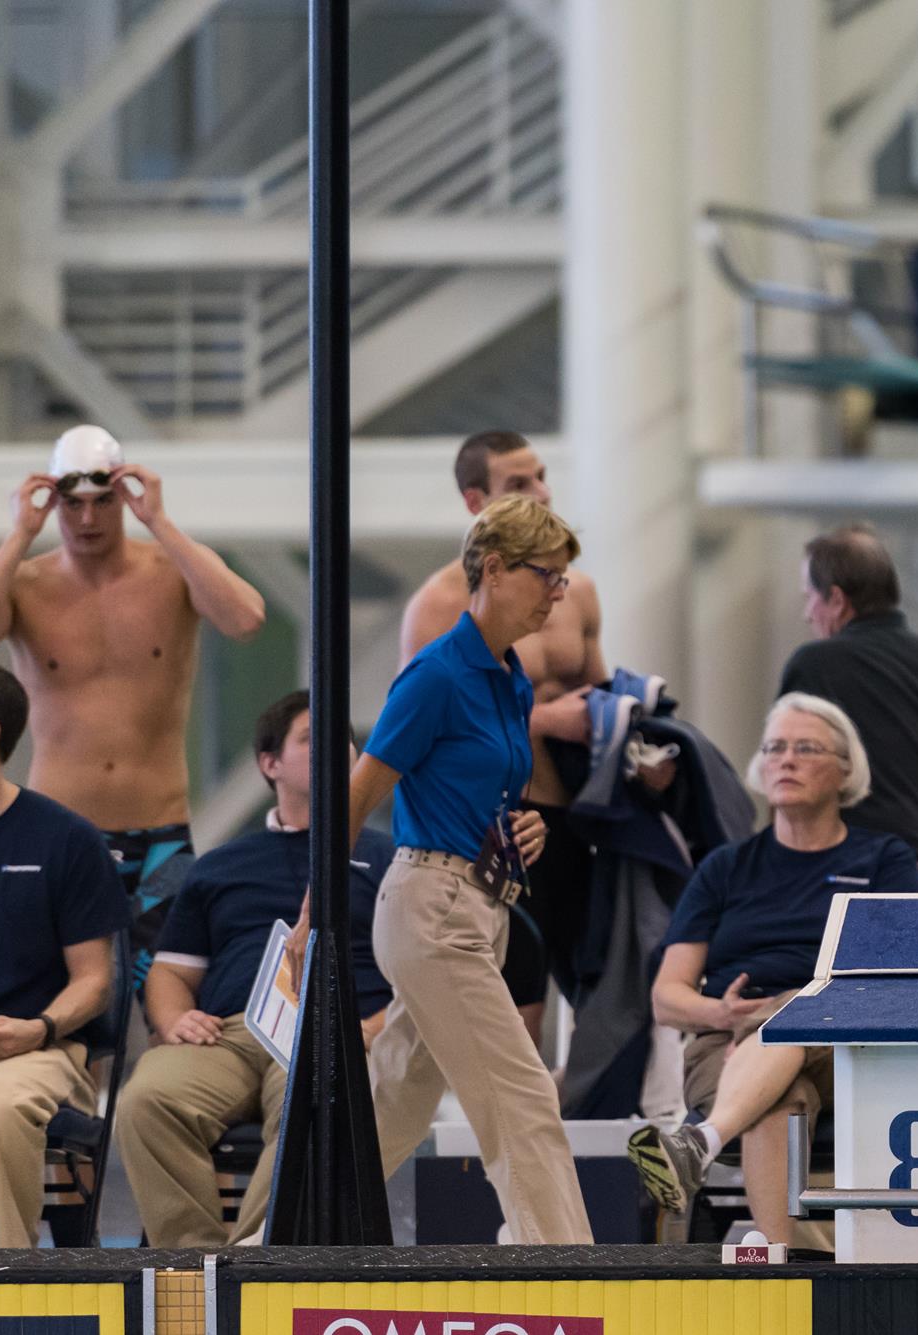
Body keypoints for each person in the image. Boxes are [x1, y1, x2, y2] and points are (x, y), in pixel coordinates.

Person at [292, 494, 590, 1244]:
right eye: (548, 575)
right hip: (432, 907)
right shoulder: (435, 676)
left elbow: (480, 786)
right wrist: (308, 918)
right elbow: (355, 796)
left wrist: (520, 823)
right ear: (494, 567)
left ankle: (274, 1248)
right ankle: (572, 1274)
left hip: (477, 905)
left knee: (393, 1101)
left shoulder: (508, 675)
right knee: (522, 1099)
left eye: (563, 578)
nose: (560, 593)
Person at [0, 426, 265, 986]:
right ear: (52, 501)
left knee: (168, 992)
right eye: (72, 504)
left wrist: (160, 521)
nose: (87, 520)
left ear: (125, 496)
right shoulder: (25, 584)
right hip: (59, 832)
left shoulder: (171, 570)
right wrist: (18, 536)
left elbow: (246, 620)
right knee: (63, 996)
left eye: (103, 502)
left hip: (161, 835)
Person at [628, 694, 918, 1242]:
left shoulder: (884, 860)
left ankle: (701, 1144)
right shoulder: (726, 868)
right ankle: (778, 1264)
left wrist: (782, 1014)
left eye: (805, 748)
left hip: (847, 1041)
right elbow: (668, 997)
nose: (784, 760)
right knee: (776, 1101)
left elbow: (892, 974)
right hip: (727, 1042)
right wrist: (725, 1012)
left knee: (794, 1013)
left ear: (845, 770)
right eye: (774, 748)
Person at [117, 691, 396, 1247]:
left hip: (336, 1031)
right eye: (310, 738)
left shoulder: (388, 857)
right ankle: (194, 1270)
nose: (336, 750)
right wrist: (174, 1021)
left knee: (314, 1092)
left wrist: (378, 1027)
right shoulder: (222, 865)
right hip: (229, 1033)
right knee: (145, 1100)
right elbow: (171, 972)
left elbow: (419, 971)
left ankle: (256, 1266)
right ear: (269, 764)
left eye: (343, 739)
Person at [400, 430, 607, 1031]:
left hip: (570, 819)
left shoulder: (578, 592)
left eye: (541, 476)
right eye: (519, 484)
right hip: (493, 828)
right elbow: (419, 739)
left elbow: (594, 692)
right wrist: (546, 720)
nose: (541, 492)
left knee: (602, 994)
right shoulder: (440, 606)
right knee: (517, 1011)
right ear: (474, 501)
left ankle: (574, 1119)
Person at [0, 658, 125, 1248]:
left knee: (1, 1104)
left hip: (36, 1049)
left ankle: (15, 1275)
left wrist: (39, 1027)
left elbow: (94, 981)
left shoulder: (63, 839)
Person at [779, 523, 918, 865]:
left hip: (848, 876)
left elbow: (784, 778)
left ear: (837, 599)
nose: (807, 613)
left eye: (809, 597)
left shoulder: (814, 665)